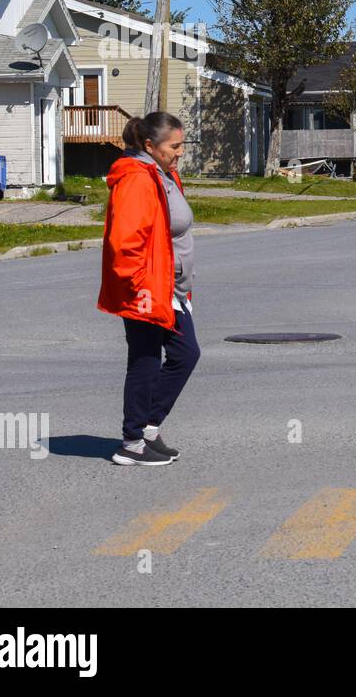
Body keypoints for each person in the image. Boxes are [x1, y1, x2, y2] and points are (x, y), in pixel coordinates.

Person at [98, 112, 199, 467]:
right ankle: (132, 441)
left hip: (167, 286)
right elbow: (125, 241)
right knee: (152, 360)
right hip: (146, 287)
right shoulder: (137, 181)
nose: (181, 151)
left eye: (181, 144)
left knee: (174, 356)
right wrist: (141, 287)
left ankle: (146, 431)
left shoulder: (161, 173)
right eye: (175, 145)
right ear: (150, 146)